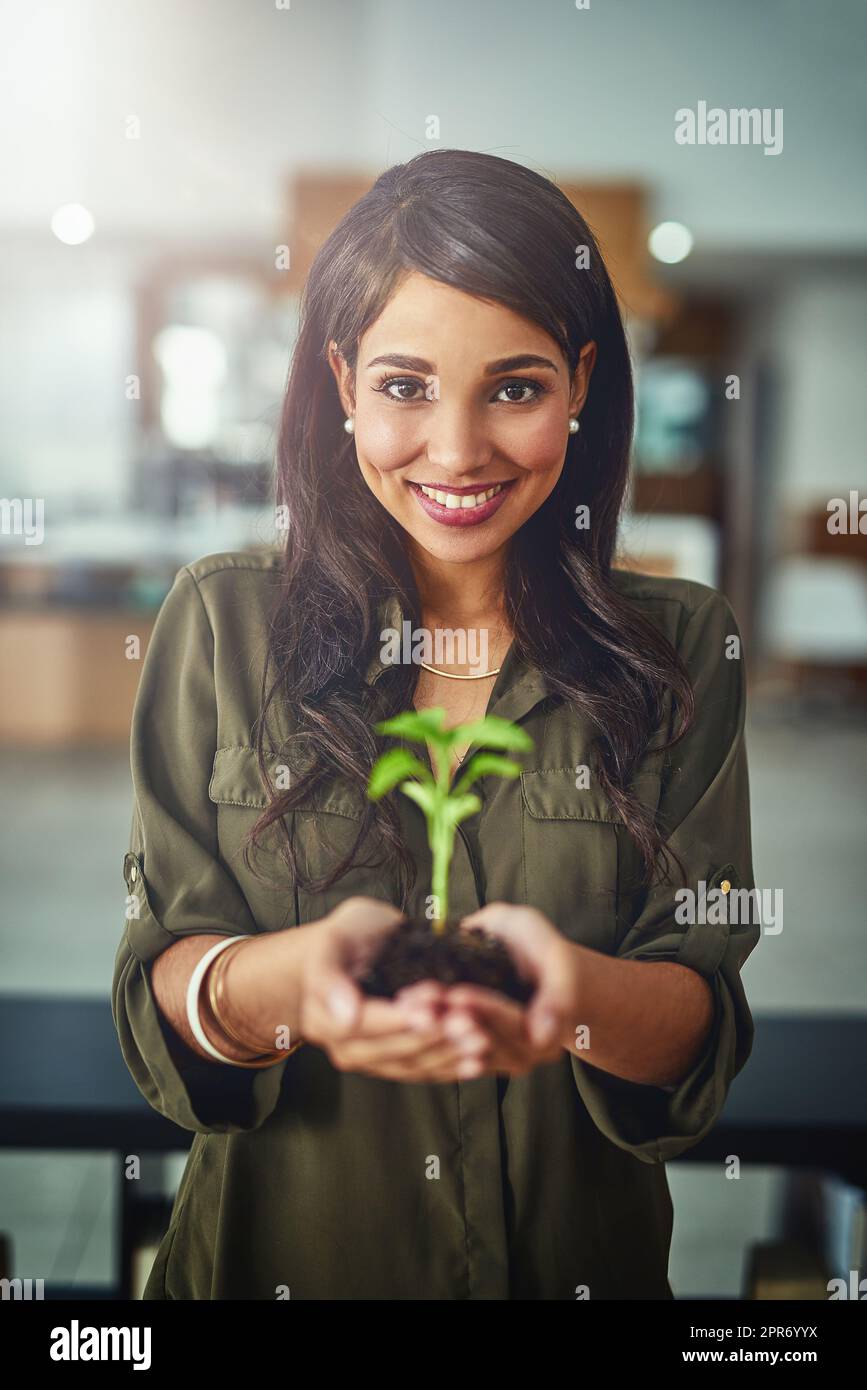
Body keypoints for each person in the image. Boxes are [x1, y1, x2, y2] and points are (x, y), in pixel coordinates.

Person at [112, 148, 759, 1300]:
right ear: (345, 381)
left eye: (514, 387)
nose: (457, 452)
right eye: (406, 386)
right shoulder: (222, 624)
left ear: (580, 382)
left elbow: (696, 1024)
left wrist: (577, 1001)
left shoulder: (679, 650)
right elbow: (159, 988)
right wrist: (282, 984)